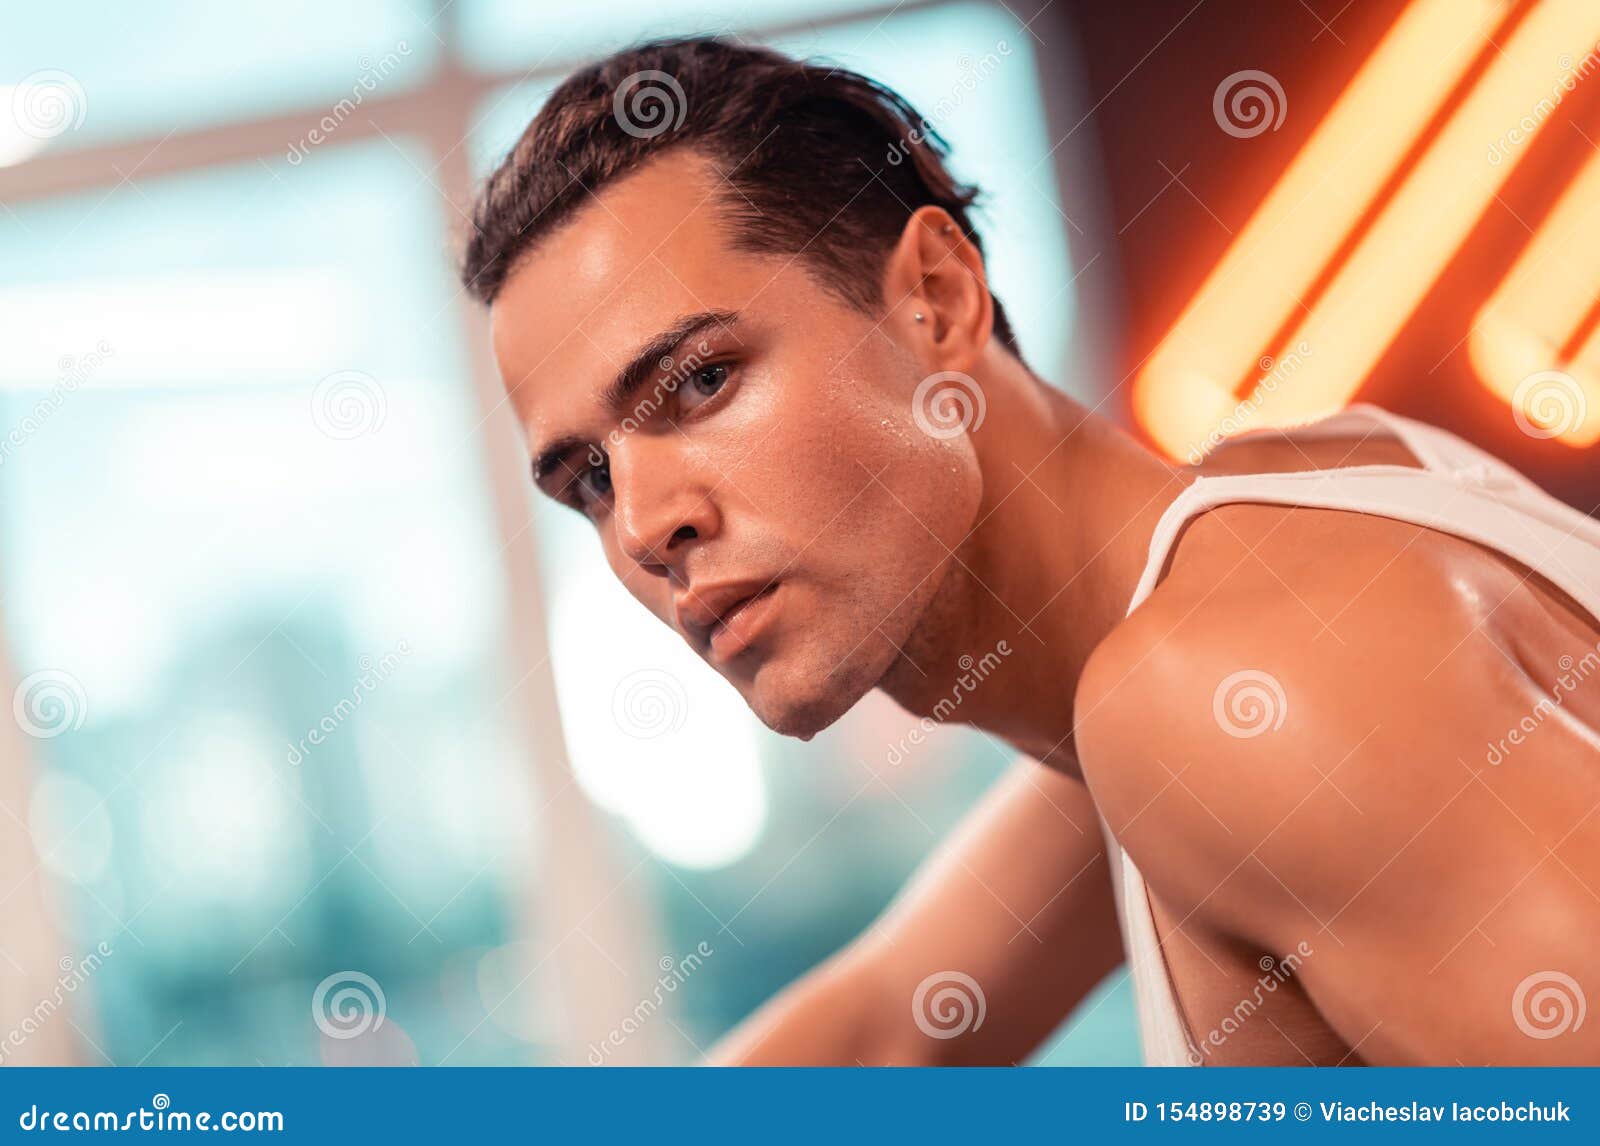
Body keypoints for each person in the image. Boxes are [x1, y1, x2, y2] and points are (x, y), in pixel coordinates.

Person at [460, 37, 1600, 1065]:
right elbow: (889, 1026)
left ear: (938, 299)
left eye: (700, 380)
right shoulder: (1193, 647)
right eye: (589, 479)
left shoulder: (1219, 690)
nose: (646, 522)